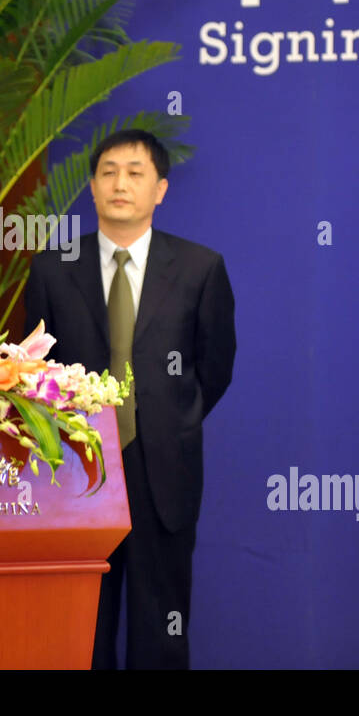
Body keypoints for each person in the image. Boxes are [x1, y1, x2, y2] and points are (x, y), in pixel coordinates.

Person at [23, 129, 236, 669]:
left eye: (136, 173)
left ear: (160, 189)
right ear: (92, 187)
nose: (121, 183)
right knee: (81, 624)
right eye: (108, 172)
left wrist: (168, 419)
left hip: (162, 467)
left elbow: (214, 369)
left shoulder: (199, 268)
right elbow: (36, 368)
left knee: (160, 627)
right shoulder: (53, 268)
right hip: (77, 467)